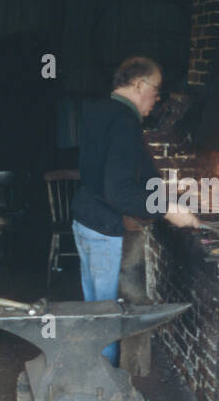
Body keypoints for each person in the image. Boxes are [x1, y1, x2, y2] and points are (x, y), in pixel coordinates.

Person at [71, 56, 200, 364]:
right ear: (140, 84)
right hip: (102, 227)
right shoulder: (124, 122)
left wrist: (167, 193)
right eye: (156, 89)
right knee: (107, 316)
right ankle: (108, 392)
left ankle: (96, 379)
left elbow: (112, 173)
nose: (157, 99)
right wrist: (168, 210)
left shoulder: (99, 111)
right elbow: (120, 191)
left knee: (94, 309)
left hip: (85, 219)